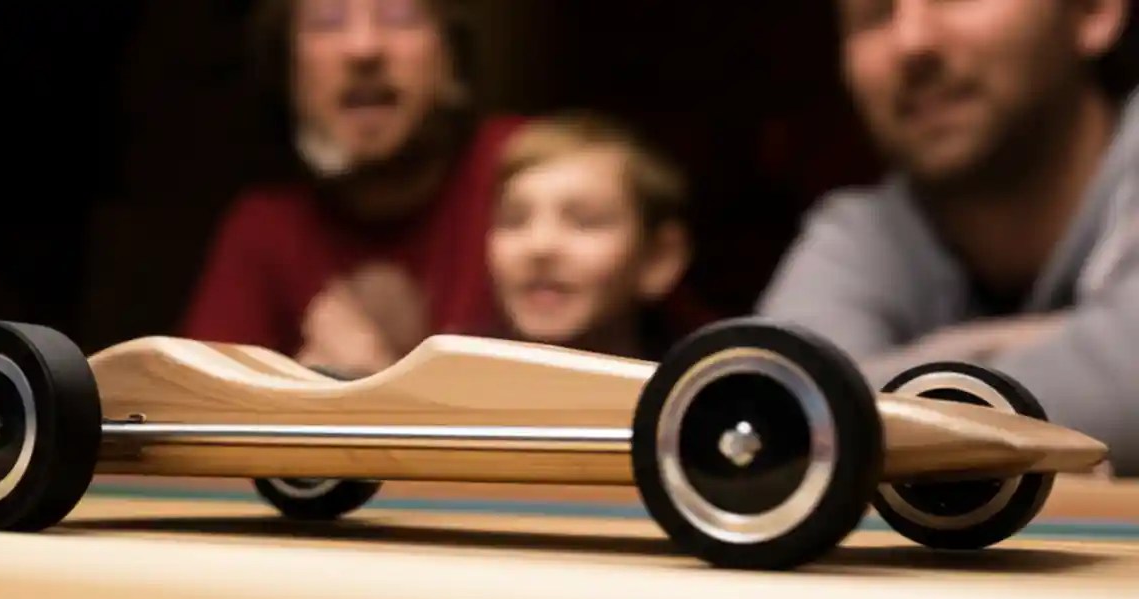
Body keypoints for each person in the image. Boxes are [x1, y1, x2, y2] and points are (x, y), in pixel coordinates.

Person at [757, 0, 1139, 473]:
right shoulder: (861, 233)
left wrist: (888, 383)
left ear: (1092, 12)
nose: (913, 42)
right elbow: (778, 416)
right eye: (873, 15)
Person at [181, 0, 523, 376]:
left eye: (400, 17)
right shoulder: (265, 226)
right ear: (291, 69)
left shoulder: (522, 172)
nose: (364, 48)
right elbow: (206, 406)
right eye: (327, 22)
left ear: (451, 59)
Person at [485, 113, 710, 360]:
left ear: (658, 258)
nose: (540, 245)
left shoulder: (707, 392)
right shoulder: (444, 379)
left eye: (586, 221)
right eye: (514, 220)